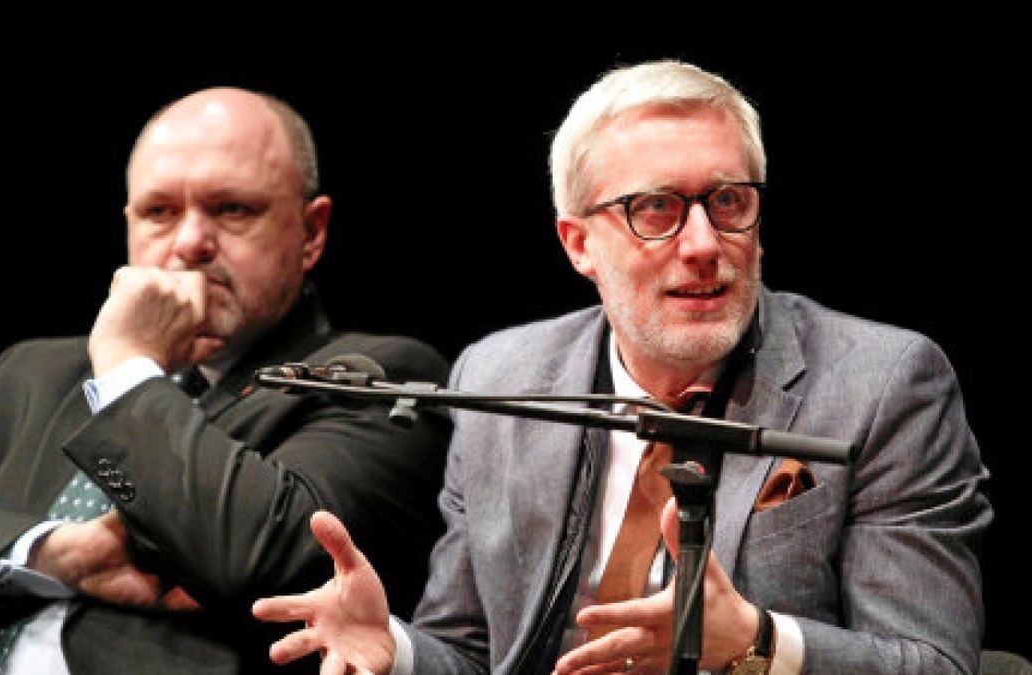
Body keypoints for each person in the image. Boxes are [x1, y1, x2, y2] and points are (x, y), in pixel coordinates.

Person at [251, 59, 991, 674]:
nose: (704, 242)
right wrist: (399, 650)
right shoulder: (503, 377)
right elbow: (476, 650)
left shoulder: (882, 383)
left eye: (729, 201)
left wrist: (761, 641)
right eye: (657, 209)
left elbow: (935, 661)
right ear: (579, 244)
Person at [0, 87, 451, 674]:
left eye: (232, 210)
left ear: (312, 231)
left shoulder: (375, 378)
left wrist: (127, 366)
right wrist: (58, 553)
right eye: (159, 212)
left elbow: (265, 554)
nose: (189, 243)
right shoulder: (34, 373)